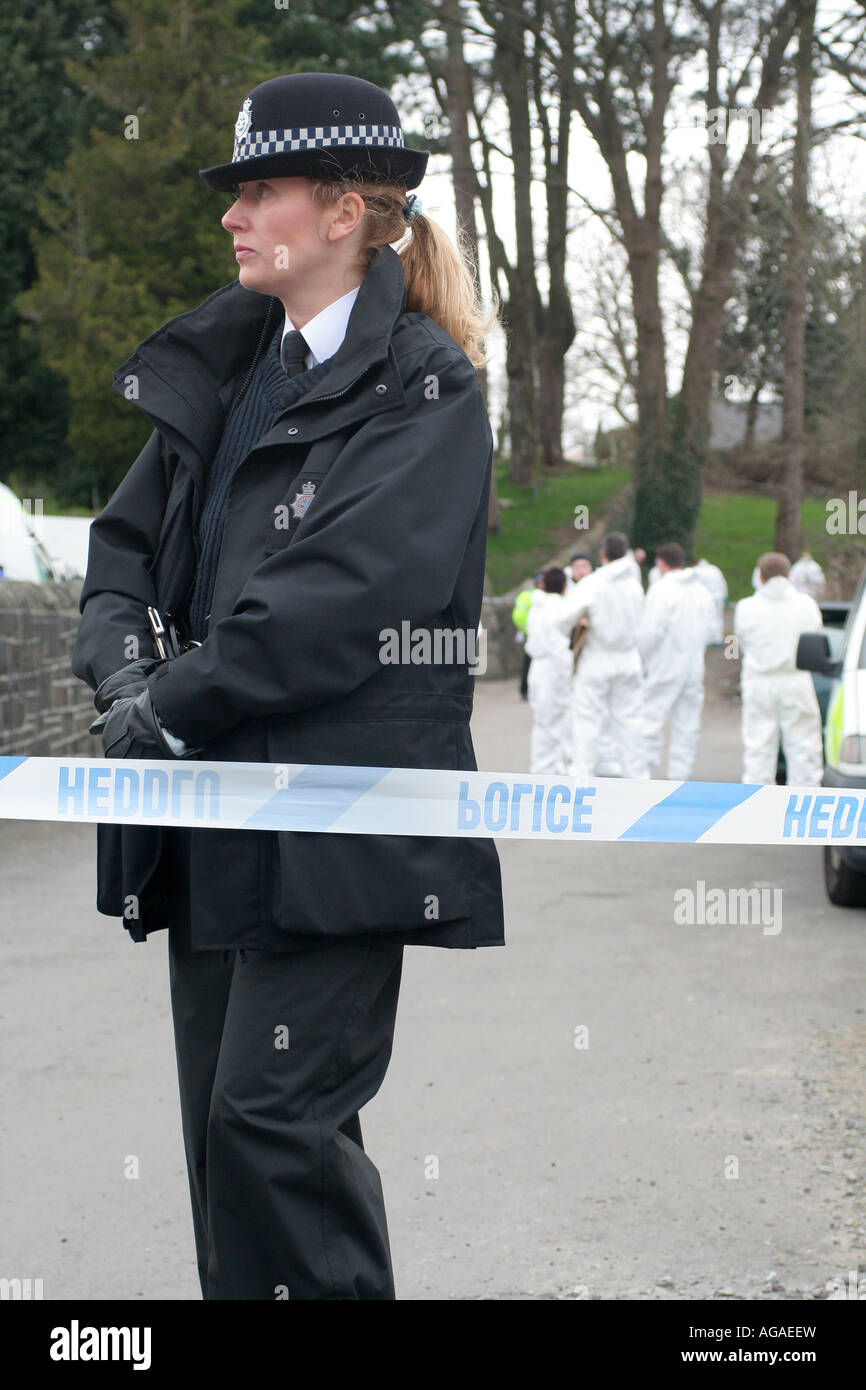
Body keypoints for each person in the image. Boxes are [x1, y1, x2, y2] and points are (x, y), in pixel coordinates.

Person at [70, 72, 505, 1301]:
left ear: (347, 212)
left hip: (340, 827)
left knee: (274, 1130)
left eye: (259, 189)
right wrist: (127, 675)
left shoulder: (427, 391)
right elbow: (116, 559)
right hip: (211, 824)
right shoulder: (219, 367)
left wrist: (173, 701)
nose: (232, 215)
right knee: (226, 1139)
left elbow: (334, 604)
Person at [550, 530, 648, 782]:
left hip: (597, 658)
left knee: (587, 723)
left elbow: (562, 618)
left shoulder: (594, 582)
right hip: (629, 659)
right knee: (631, 723)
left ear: (603, 555)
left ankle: (582, 780)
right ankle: (639, 780)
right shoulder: (635, 584)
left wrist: (576, 629)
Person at [733, 551, 824, 785]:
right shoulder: (806, 605)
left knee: (758, 749)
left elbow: (740, 644)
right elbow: (815, 639)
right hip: (796, 680)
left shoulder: (745, 607)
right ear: (789, 575)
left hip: (759, 681)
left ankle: (757, 808)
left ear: (760, 577)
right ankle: (806, 809)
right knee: (804, 749)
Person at [639, 543, 718, 780]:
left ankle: (643, 774)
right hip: (693, 665)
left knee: (651, 719)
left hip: (665, 663)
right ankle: (679, 777)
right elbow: (713, 631)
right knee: (687, 723)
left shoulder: (661, 590)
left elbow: (651, 631)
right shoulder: (702, 591)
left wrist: (641, 658)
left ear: (661, 563)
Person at [525, 567, 572, 773]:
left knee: (543, 721)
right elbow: (559, 645)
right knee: (555, 721)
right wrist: (569, 673)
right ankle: (545, 769)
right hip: (553, 668)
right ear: (564, 586)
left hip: (536, 666)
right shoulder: (560, 609)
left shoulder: (537, 607)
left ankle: (548, 766)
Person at [512, 572, 545, 698]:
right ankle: (525, 690)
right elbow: (519, 616)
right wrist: (528, 630)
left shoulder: (532, 595)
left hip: (536, 634)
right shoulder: (527, 596)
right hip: (530, 634)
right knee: (529, 663)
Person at [693, 557, 727, 643]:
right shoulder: (715, 569)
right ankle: (718, 639)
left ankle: (709, 640)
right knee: (718, 617)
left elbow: (697, 587)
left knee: (708, 618)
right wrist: (725, 595)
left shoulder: (698, 571)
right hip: (719, 596)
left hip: (709, 598)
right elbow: (723, 582)